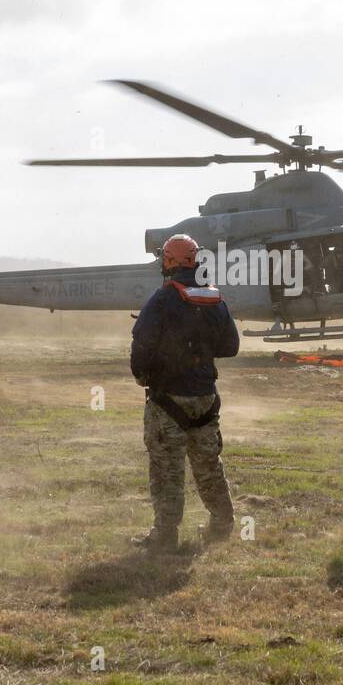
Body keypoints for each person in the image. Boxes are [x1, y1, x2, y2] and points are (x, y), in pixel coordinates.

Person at [130, 233, 239, 553]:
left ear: (167, 261)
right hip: (205, 398)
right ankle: (222, 523)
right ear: (196, 261)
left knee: (167, 469)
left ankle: (165, 535)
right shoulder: (214, 298)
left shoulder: (162, 299)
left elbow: (142, 345)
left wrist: (142, 376)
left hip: (167, 400)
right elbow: (230, 346)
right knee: (208, 464)